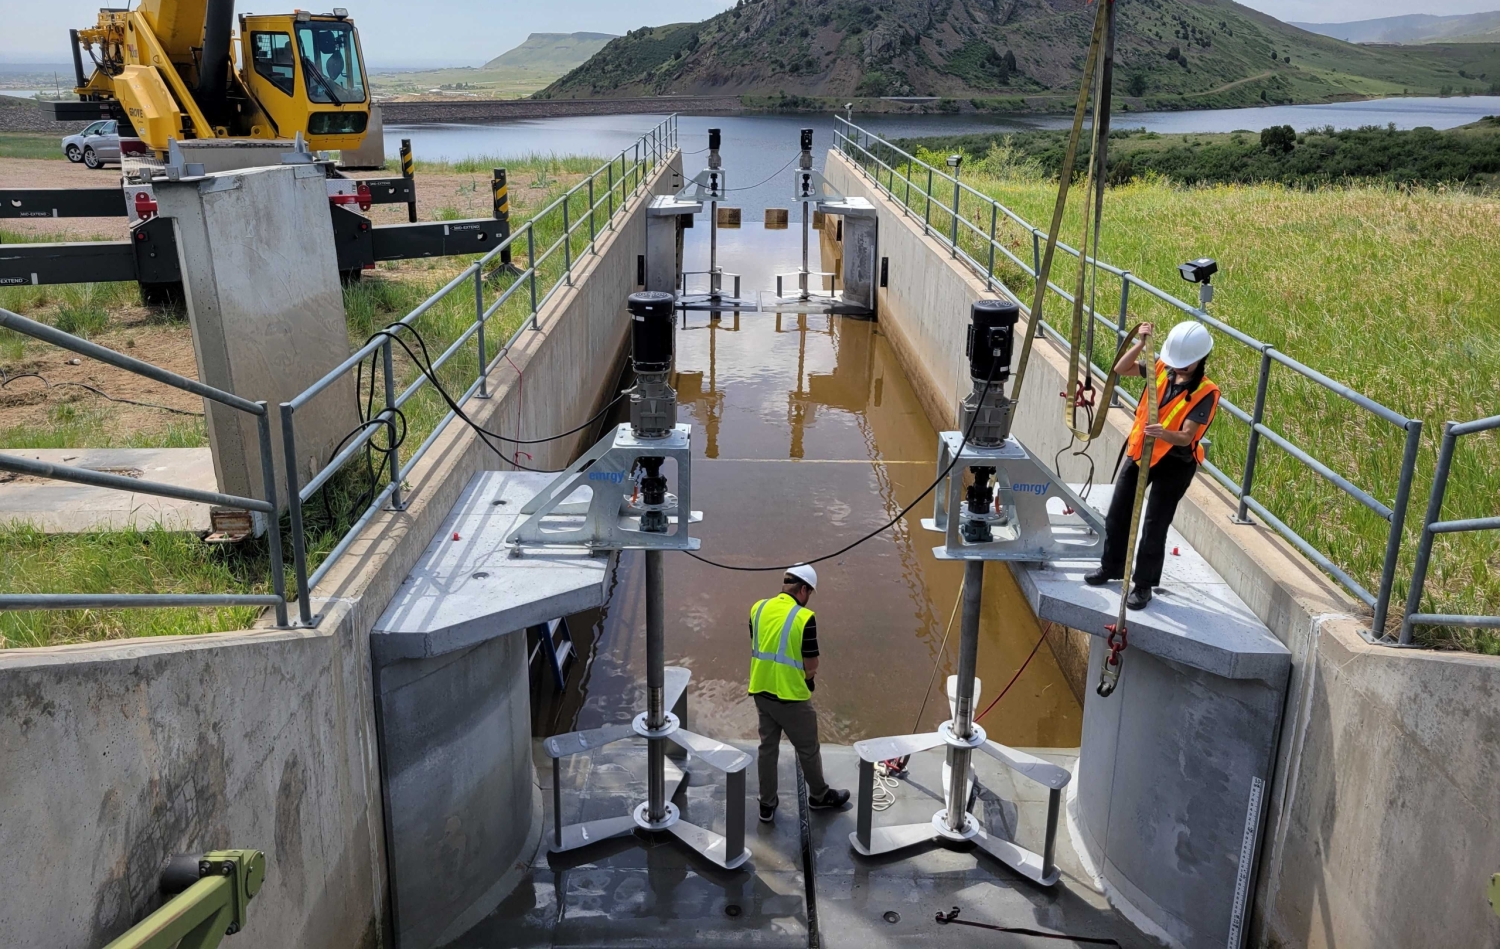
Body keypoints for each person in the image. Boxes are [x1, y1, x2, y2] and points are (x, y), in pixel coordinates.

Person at [1086, 321, 1220, 609]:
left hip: (1175, 464)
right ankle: (1111, 566)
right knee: (1118, 513)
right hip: (1142, 452)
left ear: (1200, 359)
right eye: (1177, 363)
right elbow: (1121, 369)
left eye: (1185, 365)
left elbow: (1186, 437)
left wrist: (1163, 433)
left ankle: (1143, 585)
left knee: (1154, 526)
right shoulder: (1160, 368)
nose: (1179, 369)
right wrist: (1140, 344)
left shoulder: (1205, 392)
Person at [748, 563, 850, 823]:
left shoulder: (757, 608)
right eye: (810, 593)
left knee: (767, 748)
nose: (808, 599)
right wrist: (808, 680)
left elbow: (760, 645)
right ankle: (818, 796)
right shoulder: (805, 618)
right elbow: (811, 664)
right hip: (791, 696)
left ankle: (766, 805)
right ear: (803, 589)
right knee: (807, 749)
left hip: (761, 690)